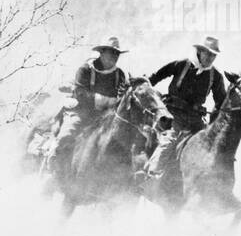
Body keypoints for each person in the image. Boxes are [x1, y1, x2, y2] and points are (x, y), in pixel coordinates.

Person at [141, 36, 227, 178]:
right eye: (208, 53)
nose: (211, 58)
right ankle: (151, 174)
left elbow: (221, 102)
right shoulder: (181, 65)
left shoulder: (216, 76)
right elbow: (154, 78)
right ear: (200, 51)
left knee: (209, 144)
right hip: (172, 115)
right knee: (170, 140)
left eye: (214, 55)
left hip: (195, 120)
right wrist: (143, 87)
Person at [51, 37, 131, 172]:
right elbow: (80, 93)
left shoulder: (120, 74)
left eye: (117, 54)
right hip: (82, 113)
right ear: (102, 52)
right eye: (112, 52)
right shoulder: (86, 69)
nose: (115, 56)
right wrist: (108, 100)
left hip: (106, 118)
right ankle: (53, 168)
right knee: (65, 138)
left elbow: (121, 98)